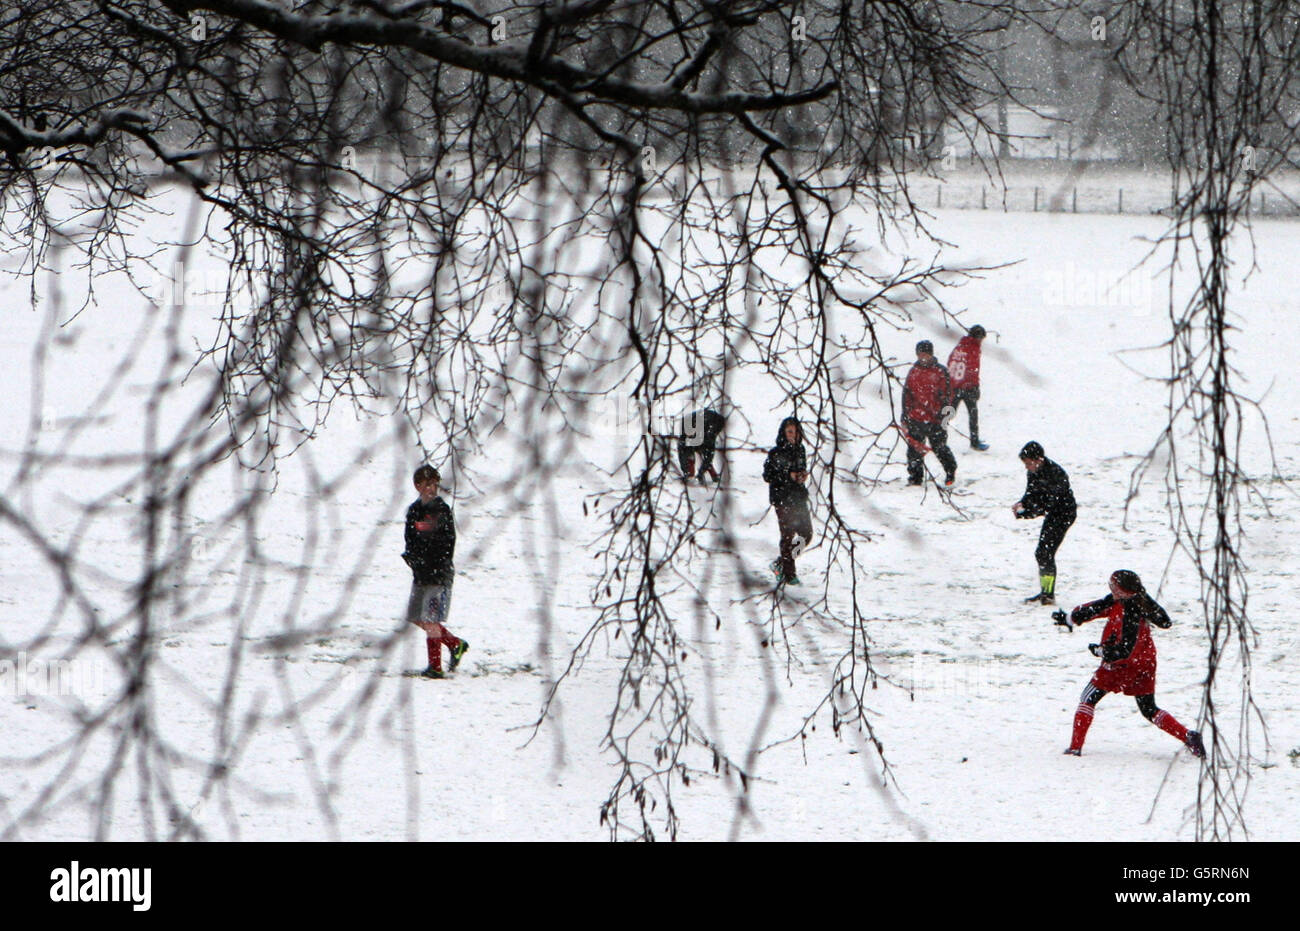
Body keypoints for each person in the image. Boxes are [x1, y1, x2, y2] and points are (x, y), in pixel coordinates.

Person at [1053, 570, 1205, 758]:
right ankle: (1189, 736)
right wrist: (1071, 618)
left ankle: (1075, 747)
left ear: (1123, 592)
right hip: (1144, 664)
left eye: (1113, 587)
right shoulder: (1133, 601)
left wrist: (1101, 651)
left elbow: (1124, 649)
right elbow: (1163, 621)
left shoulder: (1129, 611)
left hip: (1120, 666)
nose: (1111, 590)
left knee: (1087, 698)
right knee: (1149, 709)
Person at [402, 465, 468, 679]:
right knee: (415, 616)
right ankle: (454, 643)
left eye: (434, 484)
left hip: (438, 574)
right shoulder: (414, 510)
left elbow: (447, 542)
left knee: (431, 618)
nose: (431, 488)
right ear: (417, 486)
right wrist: (412, 557)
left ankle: (435, 666)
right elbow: (411, 538)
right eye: (426, 484)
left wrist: (433, 561)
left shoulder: (441, 510)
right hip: (420, 574)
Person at [1013, 441, 1076, 605]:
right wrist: (1022, 504)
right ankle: (1046, 592)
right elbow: (1032, 493)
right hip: (1052, 513)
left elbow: (1048, 503)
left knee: (1045, 553)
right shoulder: (1033, 472)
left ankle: (1048, 594)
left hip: (1063, 514)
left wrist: (1028, 513)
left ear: (1039, 459)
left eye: (1028, 463)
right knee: (1042, 553)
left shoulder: (1056, 474)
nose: (1027, 467)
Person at [762, 416, 813, 585]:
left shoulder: (801, 450)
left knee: (806, 534)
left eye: (796, 432)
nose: (793, 435)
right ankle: (789, 574)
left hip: (798, 498)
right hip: (782, 498)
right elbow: (768, 476)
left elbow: (800, 469)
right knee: (788, 535)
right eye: (790, 431)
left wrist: (801, 476)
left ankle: (782, 562)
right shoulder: (776, 453)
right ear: (783, 433)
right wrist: (787, 476)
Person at [902, 340, 958, 486]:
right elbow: (907, 394)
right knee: (914, 450)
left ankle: (950, 471)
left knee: (939, 448)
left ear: (931, 354)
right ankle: (915, 476)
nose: (923, 357)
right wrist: (905, 414)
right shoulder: (913, 371)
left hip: (935, 418)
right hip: (916, 417)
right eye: (920, 354)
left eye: (925, 354)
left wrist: (943, 414)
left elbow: (947, 395)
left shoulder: (940, 371)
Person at [947, 324, 988, 451]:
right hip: (967, 387)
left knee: (948, 413)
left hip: (955, 386)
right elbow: (972, 370)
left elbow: (950, 363)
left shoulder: (959, 347)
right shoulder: (973, 349)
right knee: (973, 414)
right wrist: (975, 386)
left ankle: (935, 436)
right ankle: (974, 441)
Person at [677, 408, 726, 484]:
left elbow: (709, 452)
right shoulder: (688, 428)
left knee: (705, 450)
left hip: (707, 424)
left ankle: (708, 472)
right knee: (701, 450)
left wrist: (701, 472)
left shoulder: (708, 429)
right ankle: (707, 472)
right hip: (697, 424)